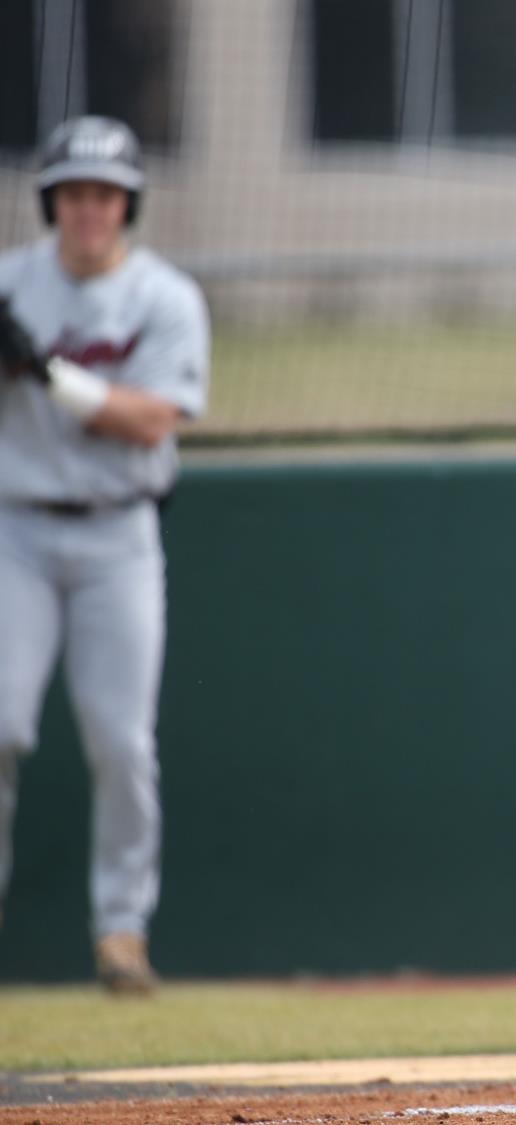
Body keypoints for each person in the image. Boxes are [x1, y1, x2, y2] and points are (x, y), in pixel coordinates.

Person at [0, 116, 210, 995]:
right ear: (51, 202)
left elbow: (153, 417)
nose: (90, 211)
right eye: (75, 194)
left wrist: (48, 373)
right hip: (15, 525)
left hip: (119, 533)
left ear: (128, 205)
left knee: (121, 740)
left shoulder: (164, 297)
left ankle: (122, 929)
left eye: (105, 195)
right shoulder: (11, 283)